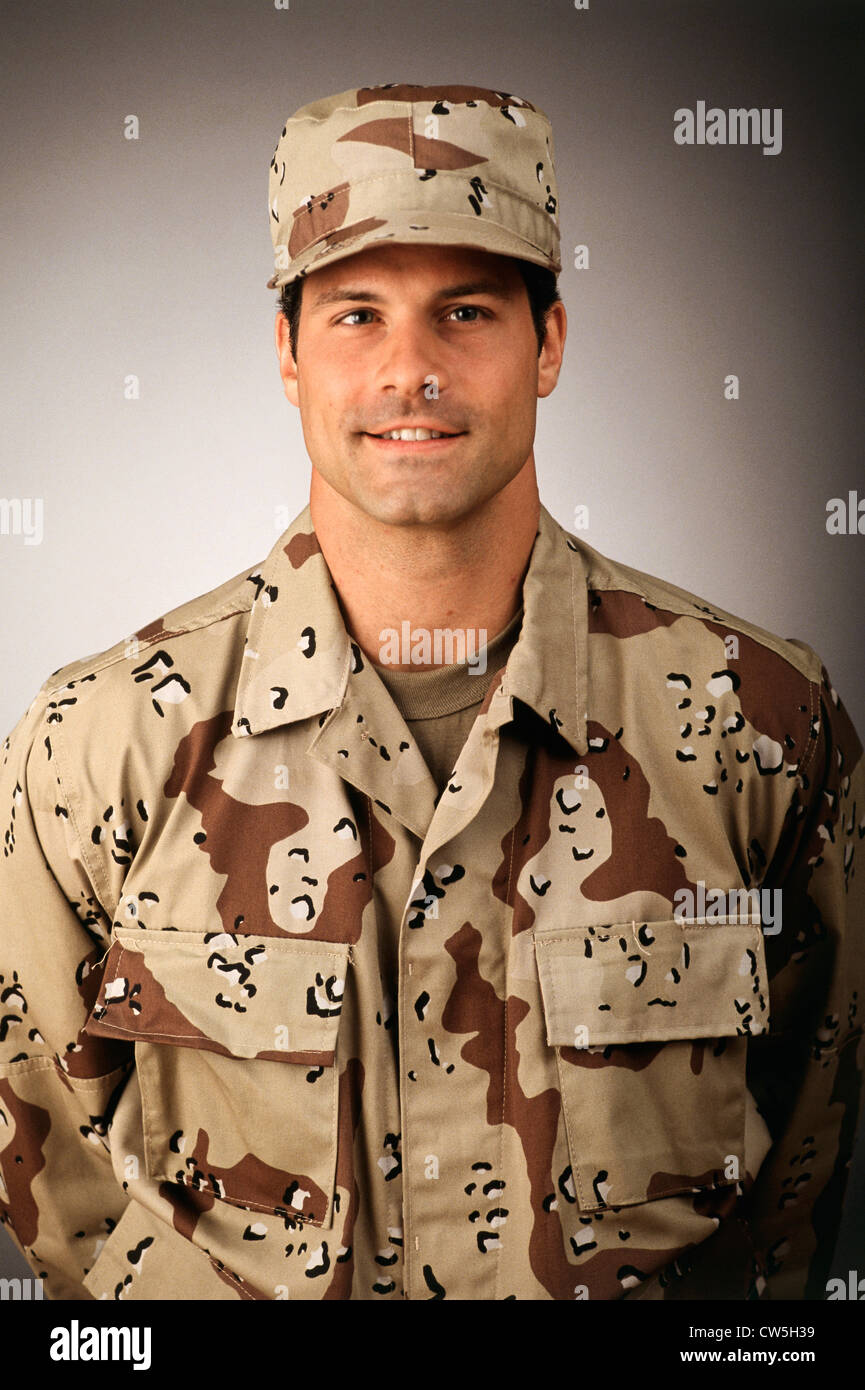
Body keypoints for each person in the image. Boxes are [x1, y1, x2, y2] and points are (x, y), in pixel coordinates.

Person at [0, 83, 862, 1302]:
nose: (411, 369)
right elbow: (56, 1172)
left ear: (548, 343)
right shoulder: (99, 744)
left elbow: (802, 1164)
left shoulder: (760, 725)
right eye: (357, 314)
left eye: (465, 310)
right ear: (288, 355)